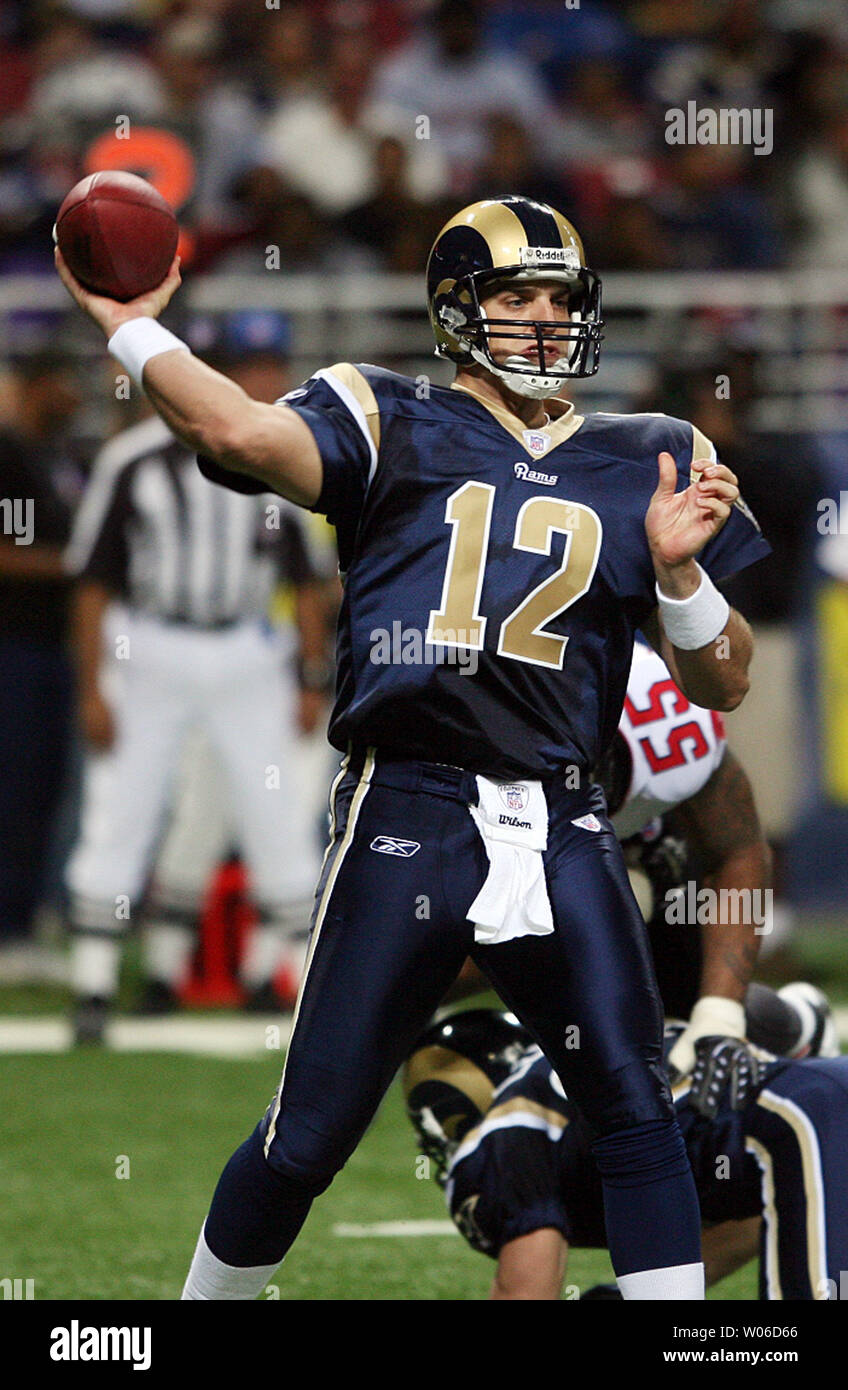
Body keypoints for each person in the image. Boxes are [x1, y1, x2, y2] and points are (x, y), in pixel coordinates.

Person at [56, 192, 770, 1302]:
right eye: (514, 297)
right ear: (455, 312)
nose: (542, 319)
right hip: (411, 807)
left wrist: (679, 578)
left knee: (635, 1112)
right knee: (307, 1135)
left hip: (565, 818)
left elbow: (722, 676)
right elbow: (234, 430)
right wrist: (134, 325)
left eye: (558, 298)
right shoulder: (384, 411)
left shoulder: (651, 455)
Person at [62, 314, 328, 1043]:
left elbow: (306, 581)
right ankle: (91, 984)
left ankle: (302, 987)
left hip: (246, 650)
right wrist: (92, 686)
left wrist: (310, 675)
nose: (266, 381)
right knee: (124, 805)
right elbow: (91, 582)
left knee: (276, 811)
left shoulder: (270, 453)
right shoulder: (134, 460)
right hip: (151, 645)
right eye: (249, 367)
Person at [404, 1003, 843, 1300]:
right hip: (819, 1098)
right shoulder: (592, 1055)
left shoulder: (508, 1124)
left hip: (800, 1118)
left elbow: (527, 1289)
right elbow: (754, 1217)